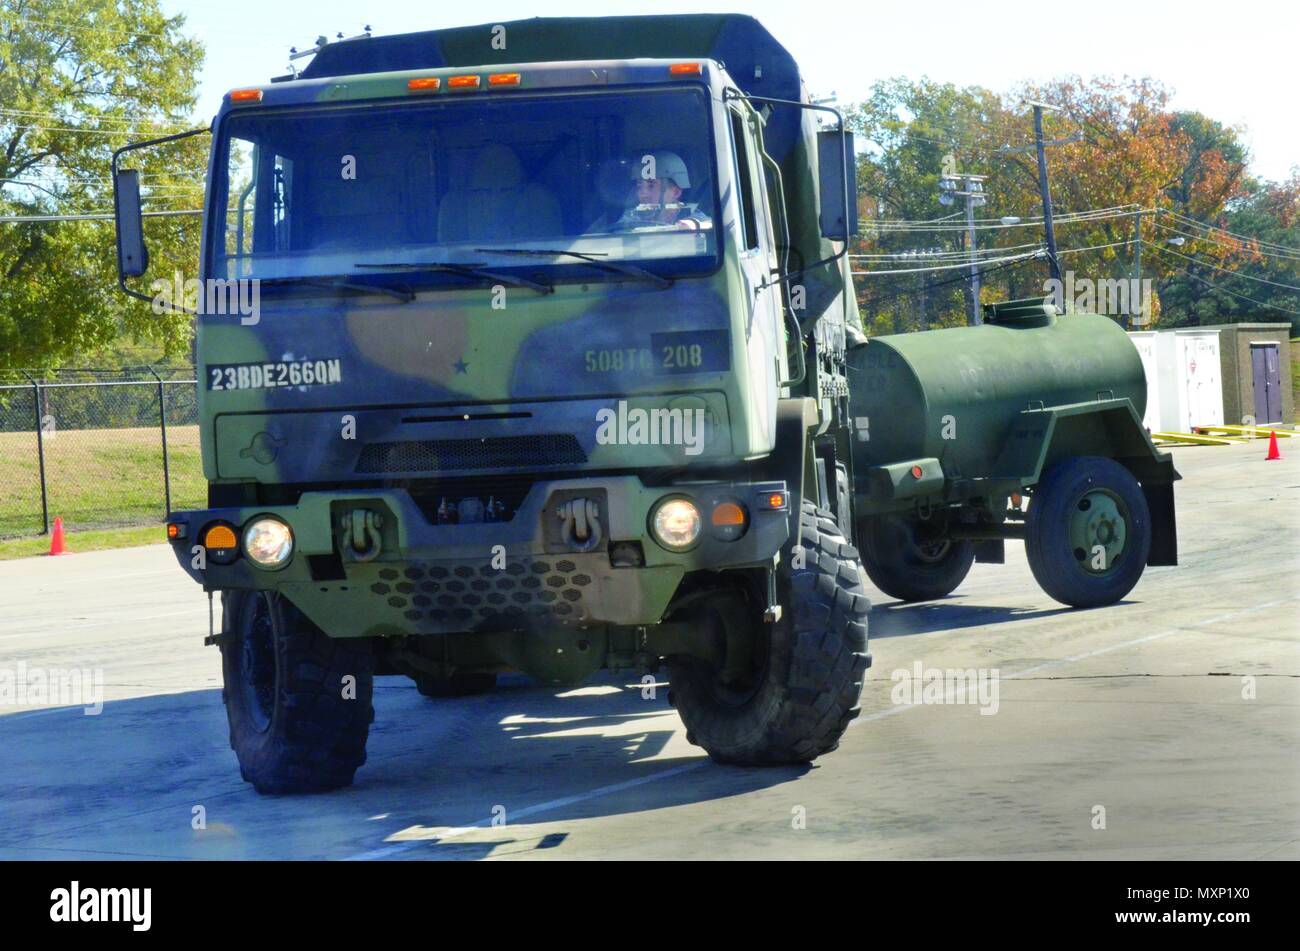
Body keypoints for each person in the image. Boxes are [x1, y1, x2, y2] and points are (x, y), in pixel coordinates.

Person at [610, 150, 712, 232]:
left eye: (651, 186)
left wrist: (692, 225)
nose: (643, 193)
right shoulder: (633, 216)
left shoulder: (691, 215)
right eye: (639, 186)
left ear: (676, 192)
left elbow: (712, 227)